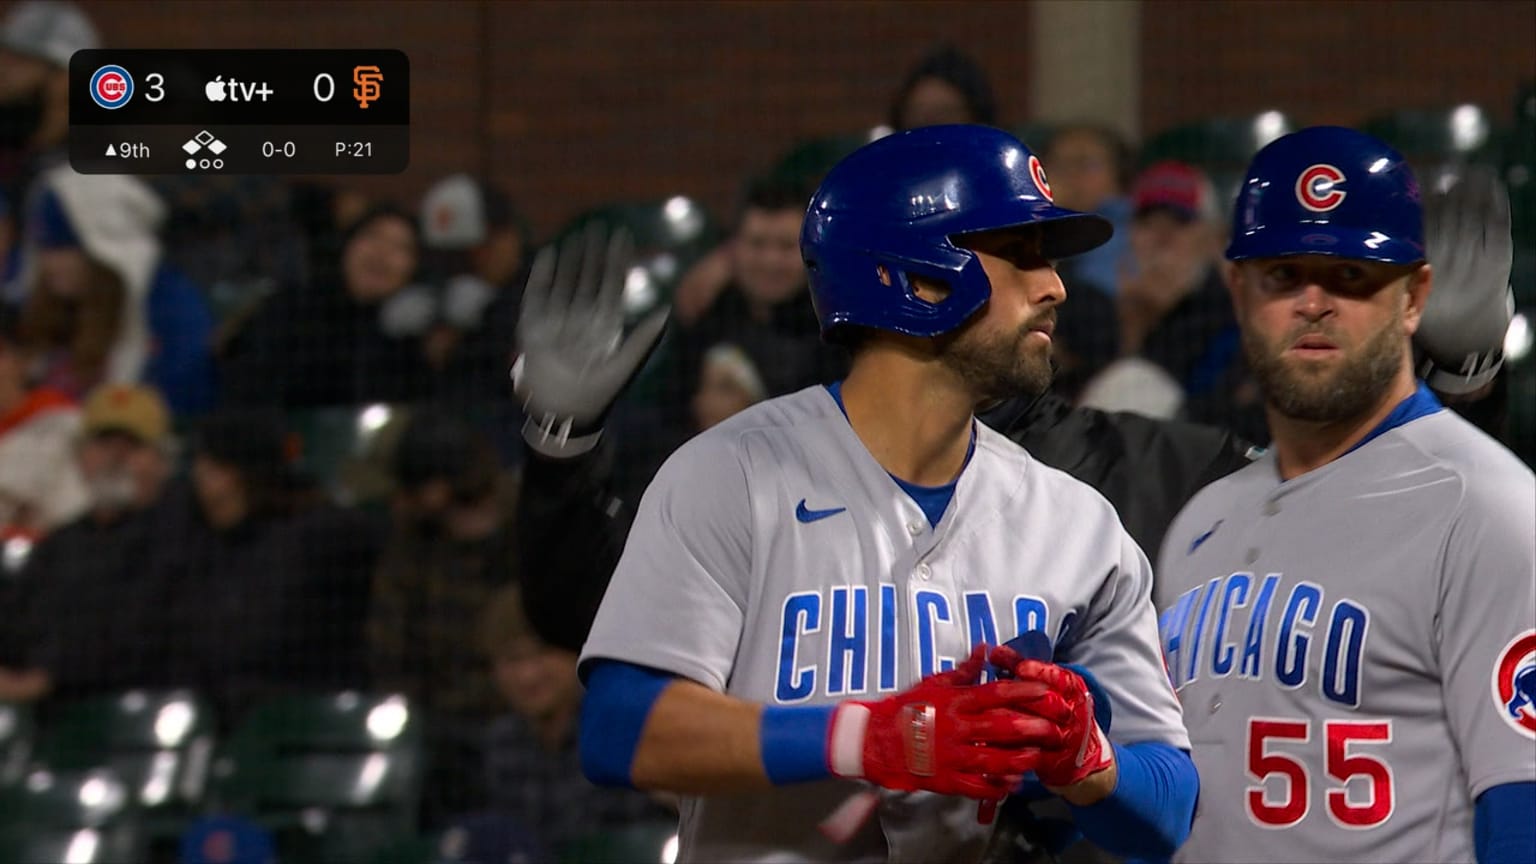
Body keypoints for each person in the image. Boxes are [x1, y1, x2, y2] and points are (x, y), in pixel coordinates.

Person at [564, 125, 1196, 862]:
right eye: (1021, 254)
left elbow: (1168, 810)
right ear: (917, 276)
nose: (1053, 285)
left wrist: (1087, 760)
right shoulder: (729, 476)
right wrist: (871, 738)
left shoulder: (1078, 525)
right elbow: (619, 730)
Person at [1153, 126, 1535, 864]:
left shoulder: (1489, 510)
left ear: (1415, 295)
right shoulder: (1201, 524)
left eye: (1353, 275)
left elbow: (1523, 808)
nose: (1314, 302)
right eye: (1283, 274)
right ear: (1238, 291)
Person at [0, 383, 172, 705]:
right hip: (50, 722)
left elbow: (147, 637)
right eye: (103, 443)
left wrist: (48, 677)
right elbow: (15, 624)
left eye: (133, 446)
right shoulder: (60, 545)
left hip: (135, 715)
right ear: (80, 457)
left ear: (161, 462)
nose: (116, 456)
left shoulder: (182, 542)